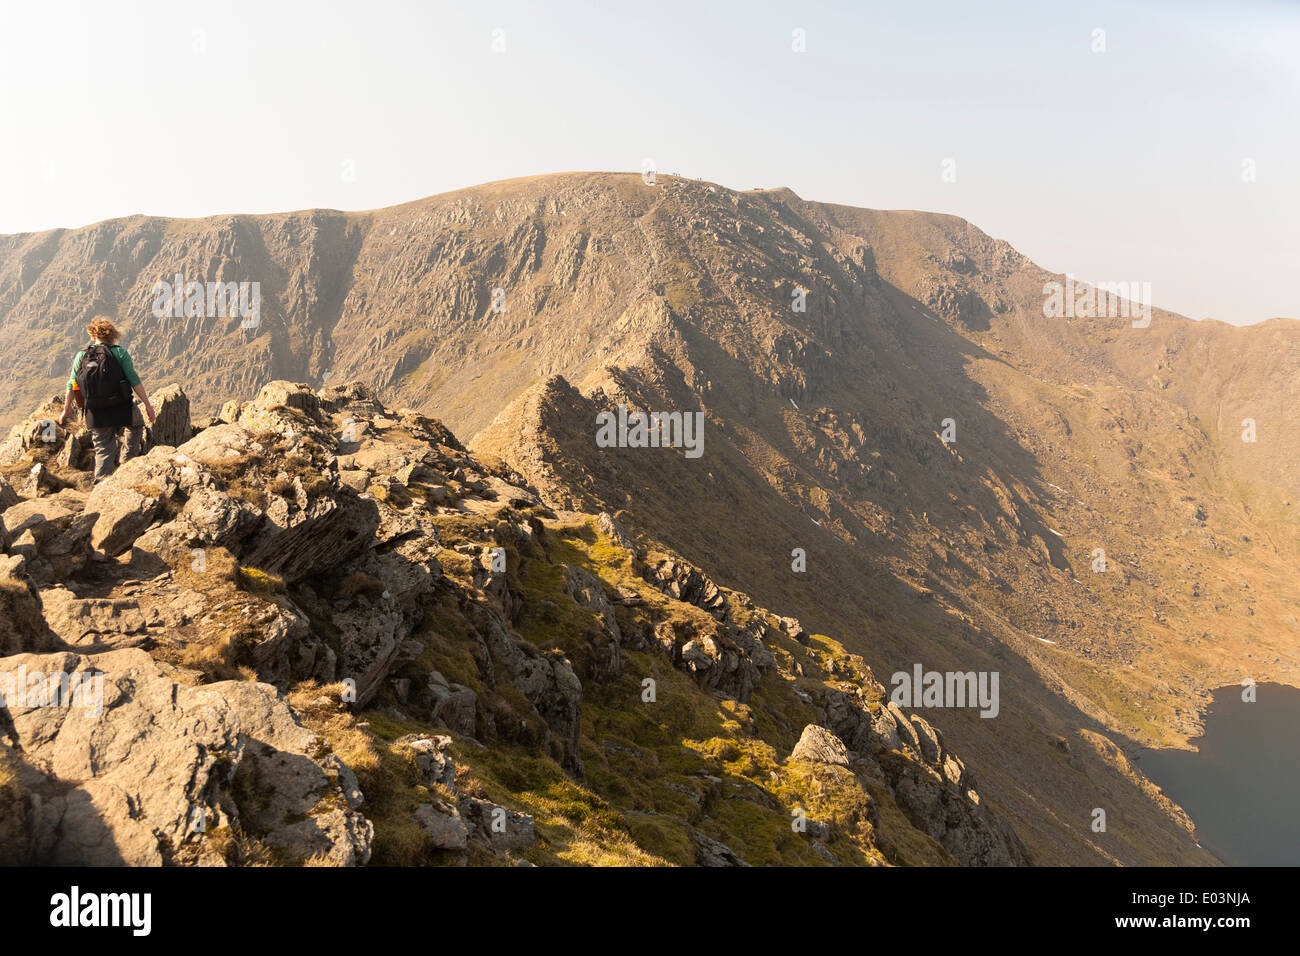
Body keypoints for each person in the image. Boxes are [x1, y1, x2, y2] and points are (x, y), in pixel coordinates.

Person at [56, 316, 156, 481]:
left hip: (95, 412)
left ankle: (100, 485)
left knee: (103, 448)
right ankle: (127, 462)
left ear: (93, 335)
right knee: (136, 425)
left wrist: (66, 409)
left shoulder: (81, 356)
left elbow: (72, 385)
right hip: (122, 407)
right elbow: (133, 380)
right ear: (112, 335)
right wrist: (147, 404)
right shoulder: (119, 353)